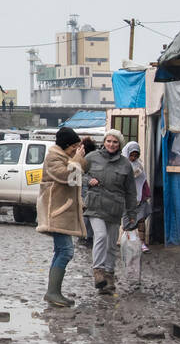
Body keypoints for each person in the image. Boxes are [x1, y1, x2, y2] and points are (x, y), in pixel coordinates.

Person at [83, 129, 138, 295]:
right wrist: (87, 180)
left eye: (115, 142)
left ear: (119, 144)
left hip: (115, 208)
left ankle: (109, 276)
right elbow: (76, 173)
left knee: (112, 244)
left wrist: (132, 214)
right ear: (104, 141)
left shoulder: (125, 164)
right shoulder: (91, 158)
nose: (111, 144)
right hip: (95, 206)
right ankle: (98, 271)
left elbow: (130, 191)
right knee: (100, 236)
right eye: (109, 141)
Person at [37, 126, 87, 307]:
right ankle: (52, 292)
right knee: (66, 251)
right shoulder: (53, 157)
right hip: (56, 212)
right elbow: (69, 176)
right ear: (65, 144)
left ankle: (54, 292)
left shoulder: (65, 157)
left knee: (60, 251)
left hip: (62, 211)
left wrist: (81, 155)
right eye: (73, 145)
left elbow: (80, 171)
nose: (75, 149)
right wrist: (77, 159)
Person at [123, 140, 151, 253]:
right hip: (127, 198)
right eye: (131, 155)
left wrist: (145, 194)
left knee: (141, 220)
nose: (133, 158)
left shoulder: (139, 165)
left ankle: (142, 243)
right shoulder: (122, 164)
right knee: (128, 222)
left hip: (140, 198)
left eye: (136, 155)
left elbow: (143, 181)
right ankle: (128, 242)